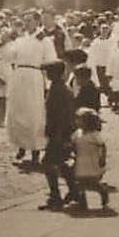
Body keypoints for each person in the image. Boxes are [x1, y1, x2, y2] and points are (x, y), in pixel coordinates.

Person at [4, 9, 56, 165]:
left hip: (34, 77)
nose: (26, 24)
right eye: (25, 21)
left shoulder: (44, 40)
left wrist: (48, 81)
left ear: (37, 22)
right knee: (17, 110)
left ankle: (35, 150)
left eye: (29, 21)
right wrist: (5, 42)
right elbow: (8, 57)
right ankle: (21, 145)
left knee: (33, 113)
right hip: (19, 76)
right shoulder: (20, 40)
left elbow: (51, 60)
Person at [42, 59, 75, 209]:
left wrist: (59, 136)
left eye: (51, 73)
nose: (48, 75)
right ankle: (73, 191)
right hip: (58, 132)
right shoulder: (58, 88)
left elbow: (62, 115)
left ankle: (56, 196)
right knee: (61, 163)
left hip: (59, 132)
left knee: (49, 163)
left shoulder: (59, 90)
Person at [69, 109, 109, 213]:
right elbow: (73, 144)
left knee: (93, 182)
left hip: (92, 161)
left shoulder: (94, 135)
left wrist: (102, 158)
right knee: (80, 183)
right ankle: (82, 203)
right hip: (80, 160)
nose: (77, 122)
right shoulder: (77, 133)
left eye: (80, 120)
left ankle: (102, 192)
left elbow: (102, 146)